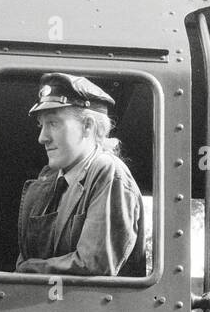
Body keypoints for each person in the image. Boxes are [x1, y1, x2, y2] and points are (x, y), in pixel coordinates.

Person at [16, 74, 145, 277]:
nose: (42, 138)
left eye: (54, 123)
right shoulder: (48, 180)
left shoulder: (108, 172)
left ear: (88, 126)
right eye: (42, 125)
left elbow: (93, 264)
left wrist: (27, 269)